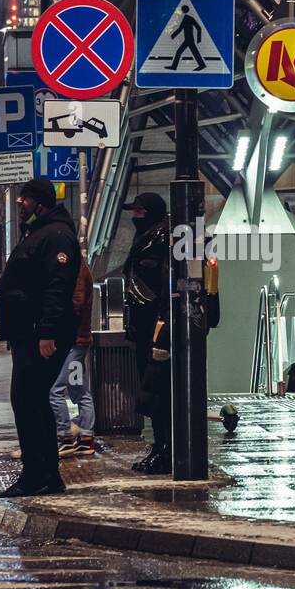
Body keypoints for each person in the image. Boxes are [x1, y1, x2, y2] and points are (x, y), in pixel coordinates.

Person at [0, 178, 80, 497]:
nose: (20, 203)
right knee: (32, 401)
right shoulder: (40, 232)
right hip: (28, 333)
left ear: (41, 202)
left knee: (28, 401)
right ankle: (46, 475)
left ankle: (36, 476)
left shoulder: (55, 236)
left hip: (39, 336)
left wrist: (46, 333)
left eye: (25, 198)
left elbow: (57, 288)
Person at [123, 192, 172, 473]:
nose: (134, 217)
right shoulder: (146, 239)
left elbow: (165, 286)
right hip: (144, 329)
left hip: (156, 329)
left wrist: (161, 326)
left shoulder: (161, 240)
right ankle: (160, 446)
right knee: (151, 389)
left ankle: (165, 449)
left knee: (158, 391)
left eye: (139, 213)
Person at [52, 256, 96, 458]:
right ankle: (86, 438)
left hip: (74, 342)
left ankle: (65, 437)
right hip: (80, 341)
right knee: (79, 390)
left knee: (55, 391)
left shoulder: (76, 269)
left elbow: (75, 303)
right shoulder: (81, 267)